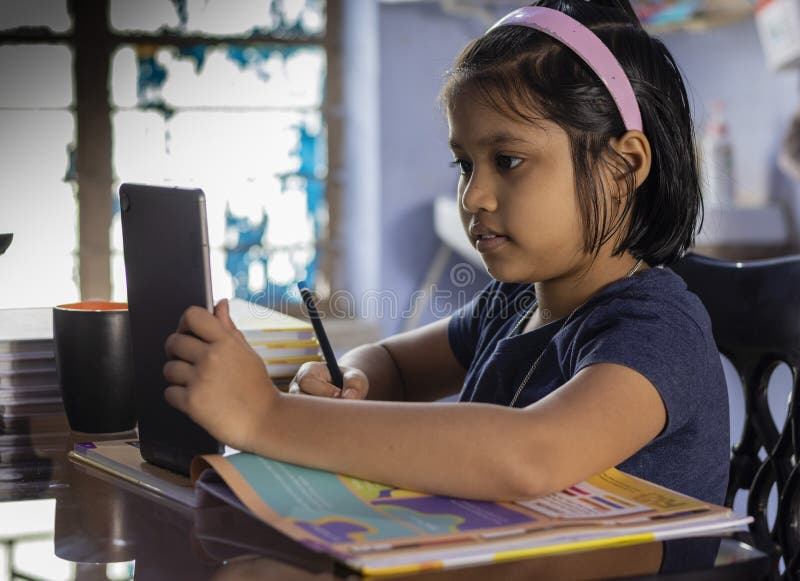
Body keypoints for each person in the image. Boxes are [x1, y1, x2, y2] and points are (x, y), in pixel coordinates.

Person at [162, 0, 729, 504]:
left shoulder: (657, 330)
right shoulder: (509, 304)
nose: (473, 195)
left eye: (507, 160)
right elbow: (396, 368)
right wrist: (353, 382)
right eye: (464, 164)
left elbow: (532, 456)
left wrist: (267, 416)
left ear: (622, 167)